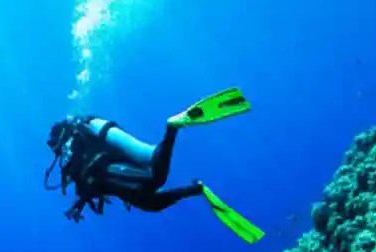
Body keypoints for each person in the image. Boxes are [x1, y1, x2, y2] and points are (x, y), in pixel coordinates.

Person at [43, 87, 265, 243]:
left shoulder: (76, 150)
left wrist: (81, 199)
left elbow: (88, 181)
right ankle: (197, 188)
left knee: (155, 178)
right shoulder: (78, 153)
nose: (57, 152)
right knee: (152, 204)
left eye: (55, 147)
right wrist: (80, 203)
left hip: (108, 171)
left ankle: (172, 127)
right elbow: (88, 188)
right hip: (113, 179)